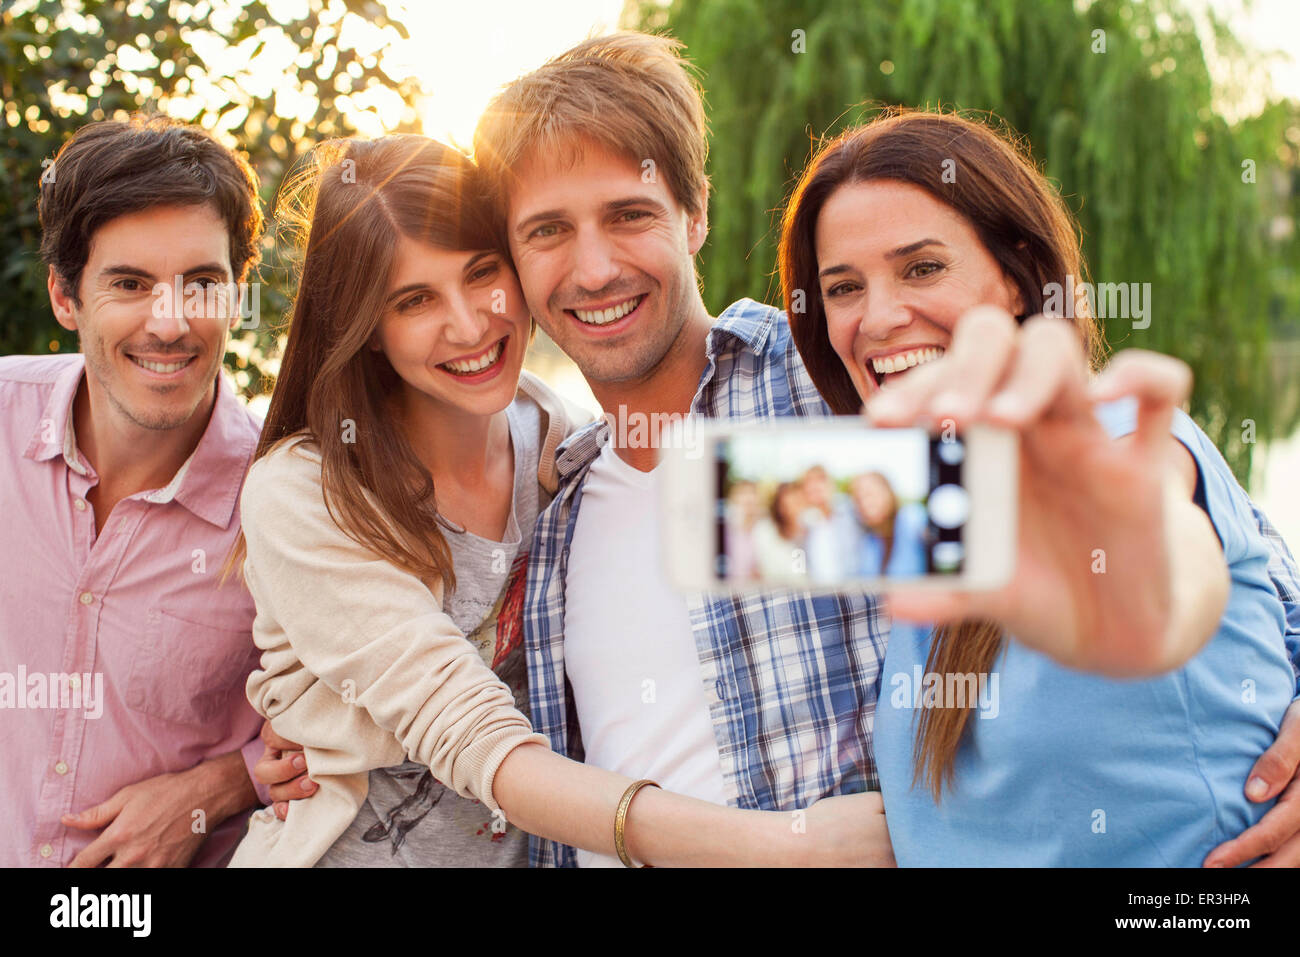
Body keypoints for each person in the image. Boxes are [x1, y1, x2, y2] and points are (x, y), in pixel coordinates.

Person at [227, 134, 886, 867]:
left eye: (482, 274)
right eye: (413, 301)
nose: (470, 325)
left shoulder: (562, 447)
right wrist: (783, 847)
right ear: (367, 328)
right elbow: (469, 732)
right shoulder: (308, 491)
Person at [779, 107, 1300, 865]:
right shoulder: (924, 510)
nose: (880, 317)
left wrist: (1131, 587)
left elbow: (1171, 567)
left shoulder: (1120, 446)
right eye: (843, 287)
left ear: (1018, 279)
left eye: (922, 268)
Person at [0, 115, 271, 867]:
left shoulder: (290, 501)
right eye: (129, 283)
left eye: (202, 284)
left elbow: (352, 721)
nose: (170, 323)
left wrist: (221, 786)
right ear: (65, 297)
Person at [848, 472, 927, 578]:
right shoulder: (869, 543)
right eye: (858, 500)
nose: (864, 503)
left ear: (888, 493)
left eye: (869, 494)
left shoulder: (913, 519)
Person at [751, 481, 811, 583]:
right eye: (787, 505)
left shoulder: (810, 527)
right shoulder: (765, 530)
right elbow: (767, 570)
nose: (792, 510)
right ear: (779, 507)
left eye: (797, 503)